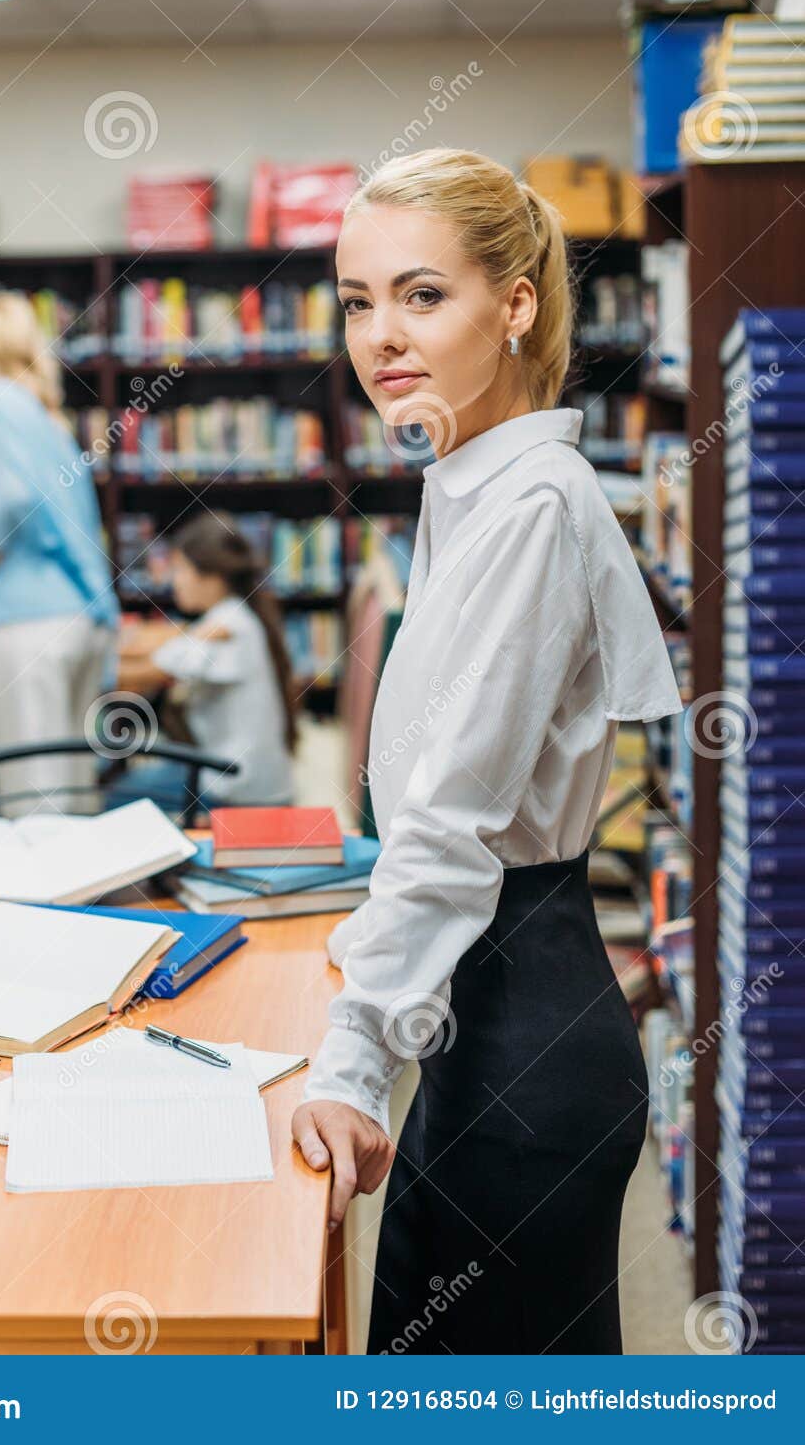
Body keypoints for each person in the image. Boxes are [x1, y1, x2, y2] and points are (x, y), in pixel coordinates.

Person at [291, 148, 682, 1355]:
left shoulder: (533, 507)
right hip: (480, 1010)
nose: (380, 337)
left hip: (525, 1029)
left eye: (422, 295)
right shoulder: (462, 478)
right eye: (358, 302)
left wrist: (351, 1060)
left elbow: (454, 818)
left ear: (514, 304)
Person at [0, 291, 119, 814]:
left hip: (28, 624)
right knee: (75, 796)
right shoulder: (46, 417)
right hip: (83, 617)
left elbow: (5, 504)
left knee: (31, 804)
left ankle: (40, 901)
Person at [115, 512, 295, 812]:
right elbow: (173, 643)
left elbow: (157, 668)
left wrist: (96, 668)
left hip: (241, 791)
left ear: (211, 576)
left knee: (117, 795)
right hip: (251, 782)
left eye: (180, 570)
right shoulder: (234, 616)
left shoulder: (229, 625)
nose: (175, 581)